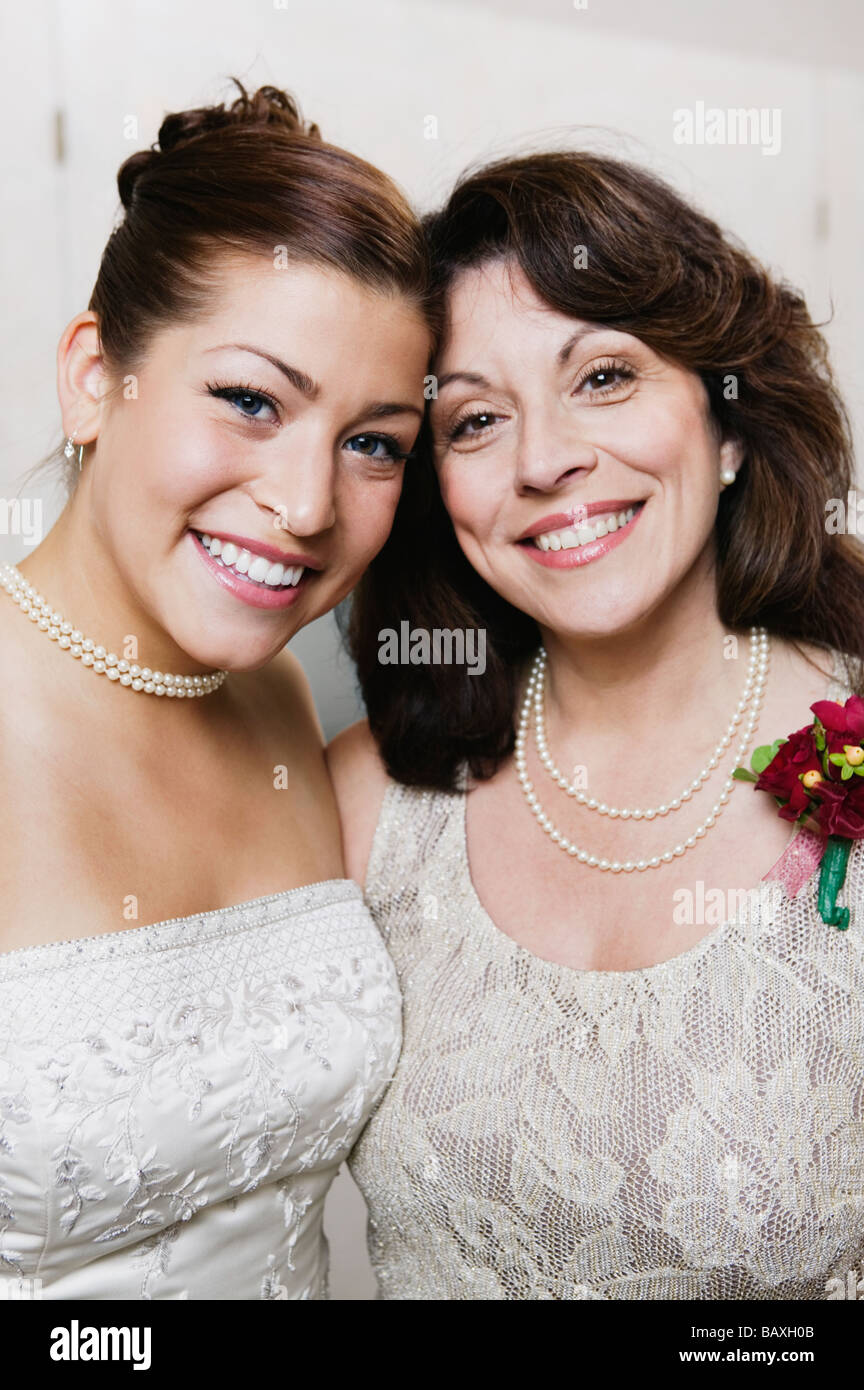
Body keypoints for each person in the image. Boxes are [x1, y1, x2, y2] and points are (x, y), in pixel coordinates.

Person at [329, 150, 864, 1299]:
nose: (546, 459)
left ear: (727, 427)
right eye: (475, 421)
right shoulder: (371, 800)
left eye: (605, 377)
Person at [0, 80, 433, 1299]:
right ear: (96, 377)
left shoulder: (283, 701)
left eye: (374, 442)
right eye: (250, 400)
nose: (305, 505)